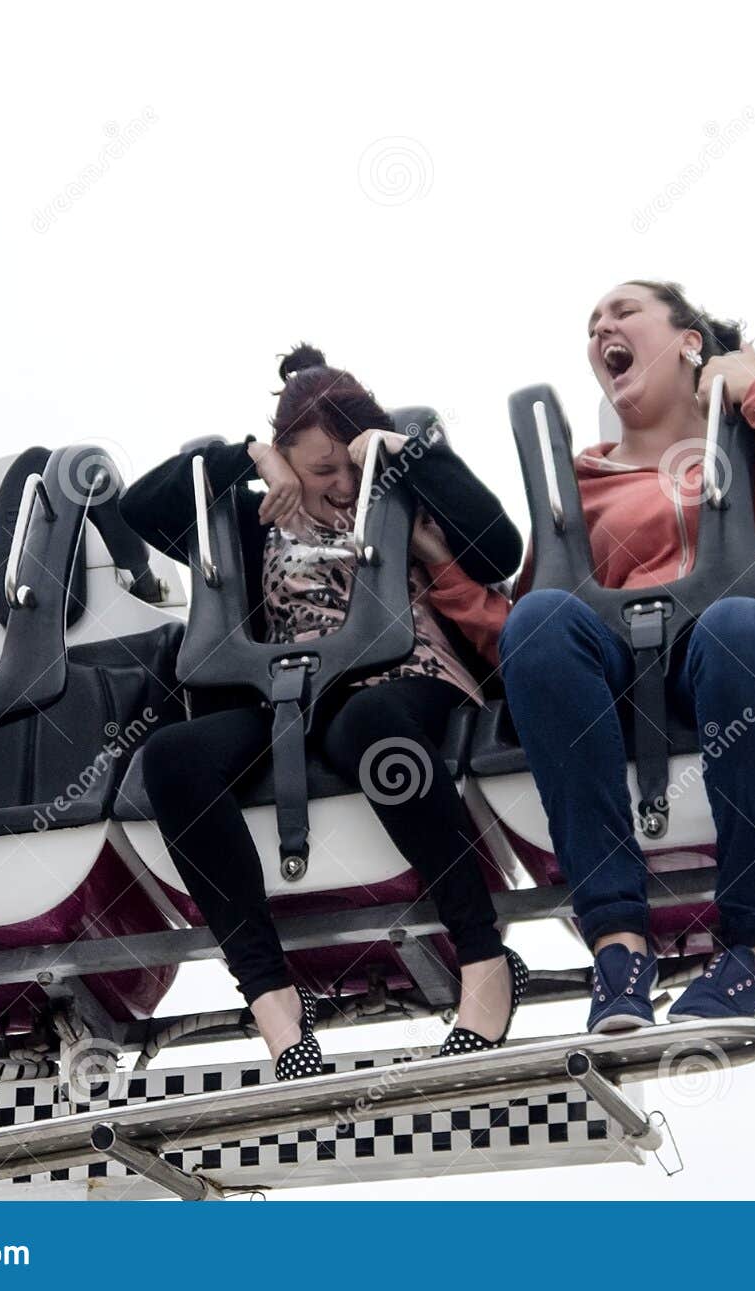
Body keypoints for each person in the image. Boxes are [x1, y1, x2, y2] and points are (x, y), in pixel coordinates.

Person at [121, 345, 526, 1080]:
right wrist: (251, 459)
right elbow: (141, 507)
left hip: (405, 676)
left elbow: (499, 548)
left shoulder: (397, 490)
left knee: (368, 725)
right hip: (291, 700)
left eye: (349, 465)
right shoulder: (254, 517)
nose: (342, 485)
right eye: (321, 470)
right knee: (173, 757)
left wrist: (404, 453)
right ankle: (273, 996)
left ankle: (485, 958)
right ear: (287, 461)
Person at [496, 280, 755, 1033]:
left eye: (624, 312)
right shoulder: (579, 482)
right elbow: (522, 630)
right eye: (592, 324)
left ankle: (753, 942)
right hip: (624, 683)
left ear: (688, 341)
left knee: (737, 623)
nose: (602, 326)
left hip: (742, 663)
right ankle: (618, 944)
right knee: (540, 619)